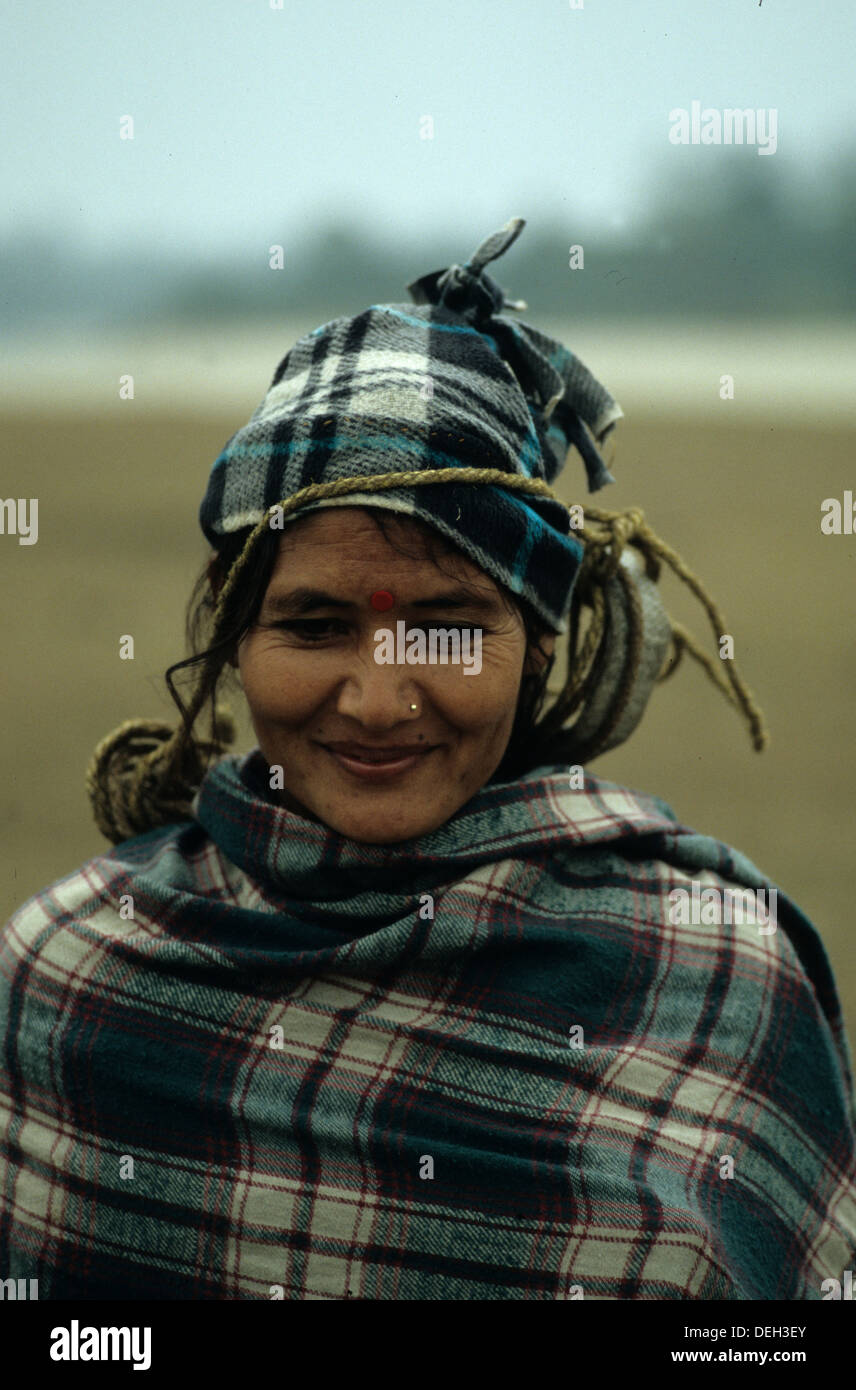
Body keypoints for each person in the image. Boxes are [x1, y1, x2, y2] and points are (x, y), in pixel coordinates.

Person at [1, 219, 854, 1301]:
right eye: (312, 626)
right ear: (232, 639)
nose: (376, 701)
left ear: (540, 641)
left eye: (447, 629)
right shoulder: (70, 974)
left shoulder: (717, 981)